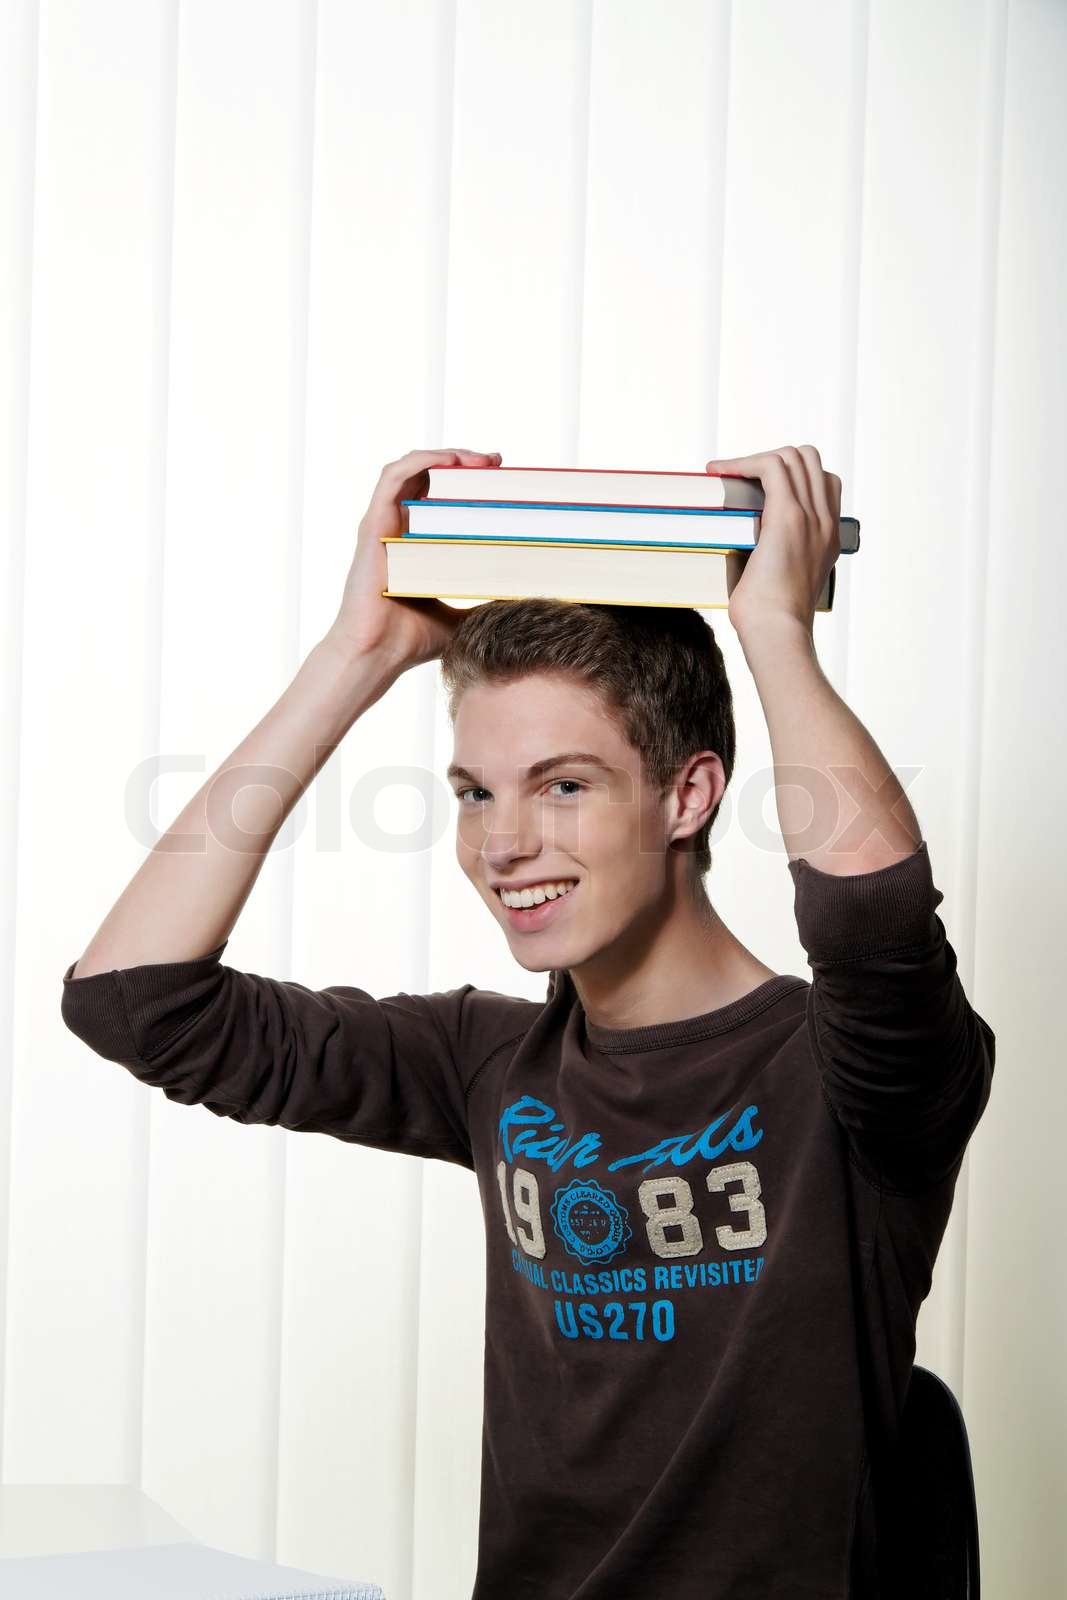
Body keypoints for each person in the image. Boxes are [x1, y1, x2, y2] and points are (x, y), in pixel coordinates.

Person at [62, 444, 995, 1598]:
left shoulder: (847, 1076)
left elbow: (873, 911)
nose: (502, 844)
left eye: (562, 783)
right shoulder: (491, 1065)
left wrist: (775, 636)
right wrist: (359, 655)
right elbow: (132, 1001)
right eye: (474, 792)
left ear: (686, 794)